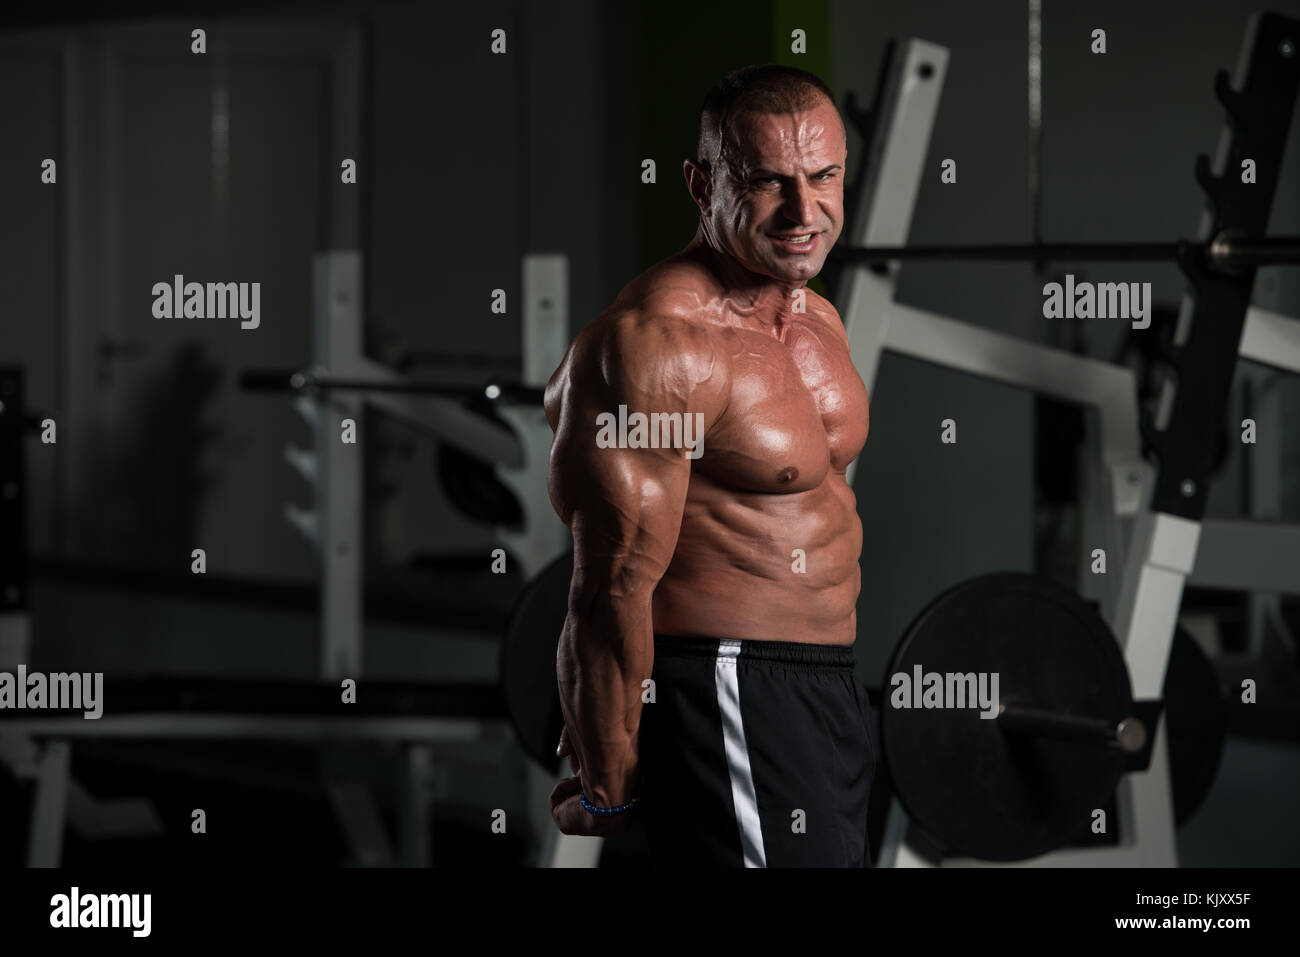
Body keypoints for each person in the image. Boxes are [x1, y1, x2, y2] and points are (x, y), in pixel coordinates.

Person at [543, 64, 874, 867]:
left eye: (824, 176)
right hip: (729, 682)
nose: (806, 211)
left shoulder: (816, 317)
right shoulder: (657, 345)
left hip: (827, 686)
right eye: (769, 182)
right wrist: (607, 785)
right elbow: (611, 586)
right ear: (700, 183)